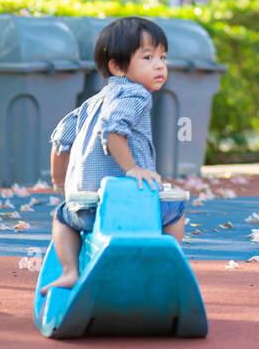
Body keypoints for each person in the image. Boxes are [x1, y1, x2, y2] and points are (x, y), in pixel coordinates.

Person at [40, 17, 185, 295]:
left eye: (163, 57)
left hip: (87, 209)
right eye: (148, 57)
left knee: (62, 218)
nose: (160, 65)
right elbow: (114, 131)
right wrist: (131, 168)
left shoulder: (92, 102)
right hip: (133, 206)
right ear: (117, 67)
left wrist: (61, 183)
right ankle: (166, 268)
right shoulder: (137, 95)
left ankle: (70, 271)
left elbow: (61, 140)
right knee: (174, 213)